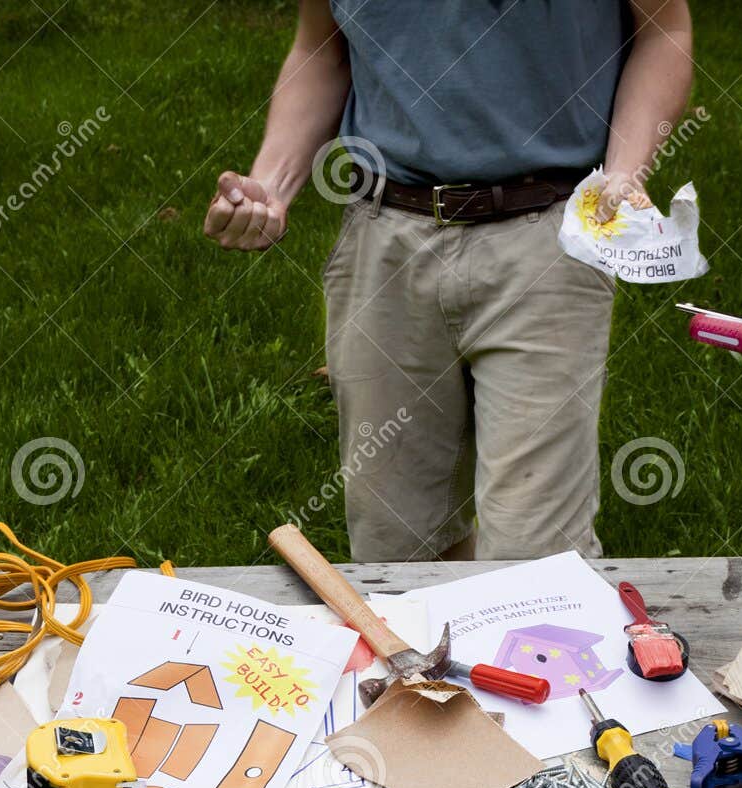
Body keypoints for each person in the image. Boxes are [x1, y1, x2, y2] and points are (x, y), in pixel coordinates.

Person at [204, 0, 694, 561]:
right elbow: (324, 48)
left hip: (549, 236)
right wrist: (272, 184)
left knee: (538, 563)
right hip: (381, 238)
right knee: (397, 553)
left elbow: (665, 28)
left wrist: (624, 172)